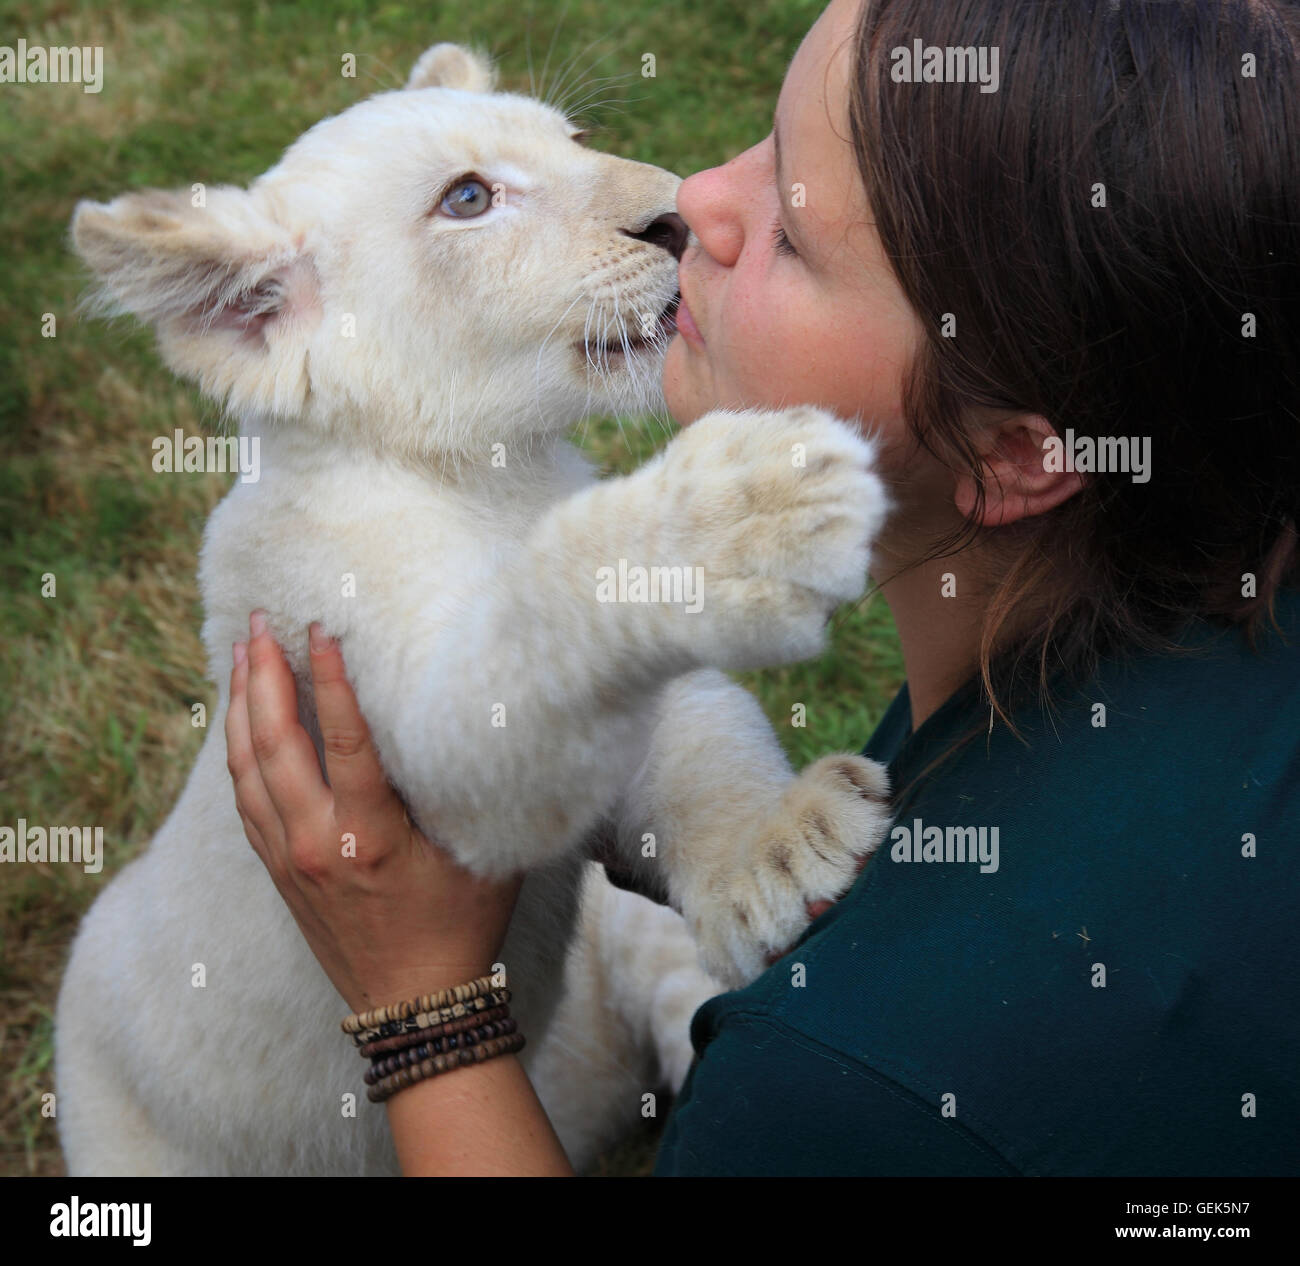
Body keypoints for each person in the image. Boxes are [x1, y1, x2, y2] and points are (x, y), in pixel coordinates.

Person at [224, 0, 1300, 1175]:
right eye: (769, 144)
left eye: (792, 230)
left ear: (1016, 454)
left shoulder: (848, 1094)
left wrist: (425, 1011)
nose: (684, 196)